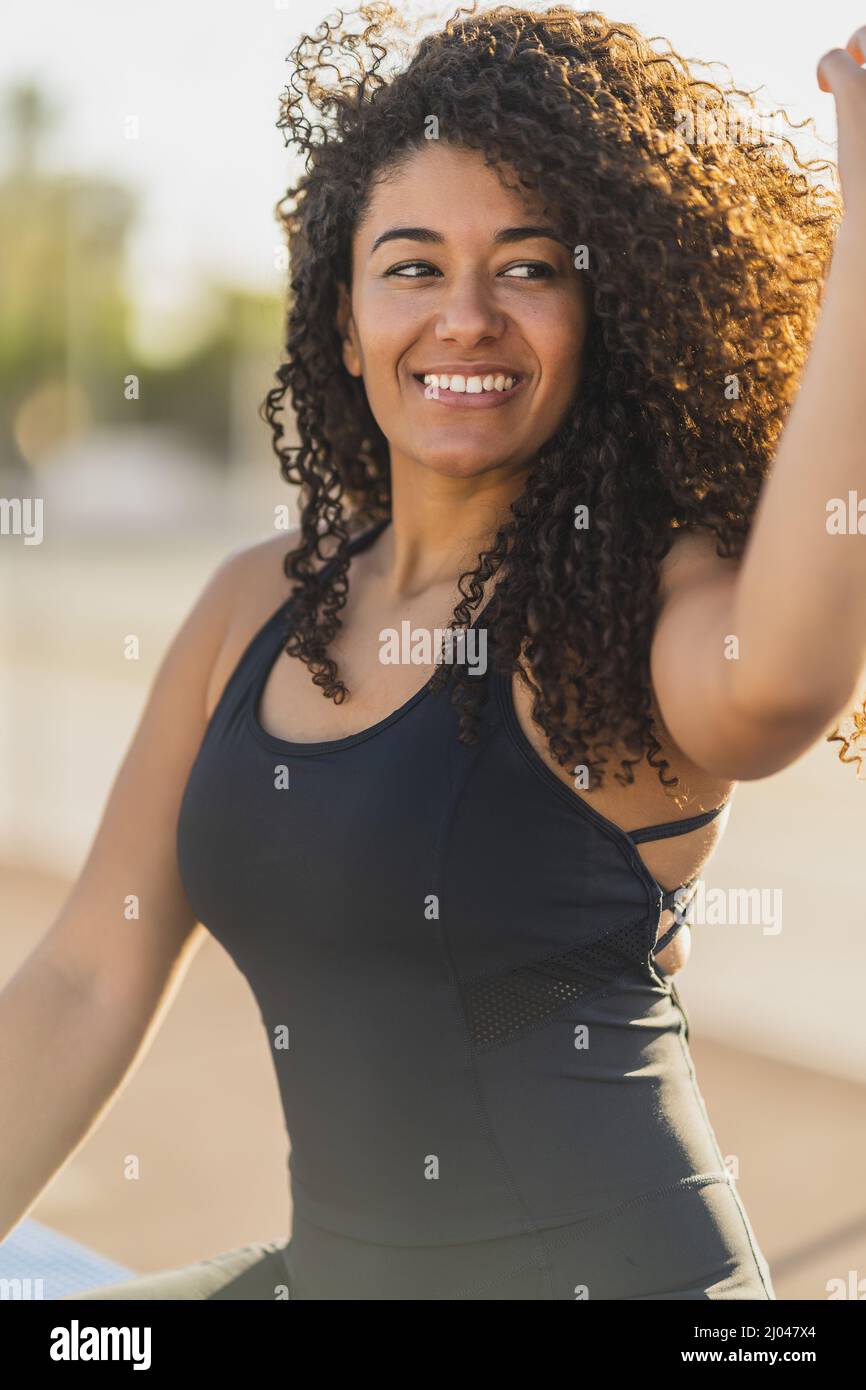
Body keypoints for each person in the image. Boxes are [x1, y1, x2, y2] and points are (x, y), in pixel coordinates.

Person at [4, 4, 866, 1300]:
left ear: (604, 316)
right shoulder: (249, 605)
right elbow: (82, 974)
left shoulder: (633, 603)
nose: (465, 314)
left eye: (528, 267)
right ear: (344, 323)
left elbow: (783, 676)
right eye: (411, 265)